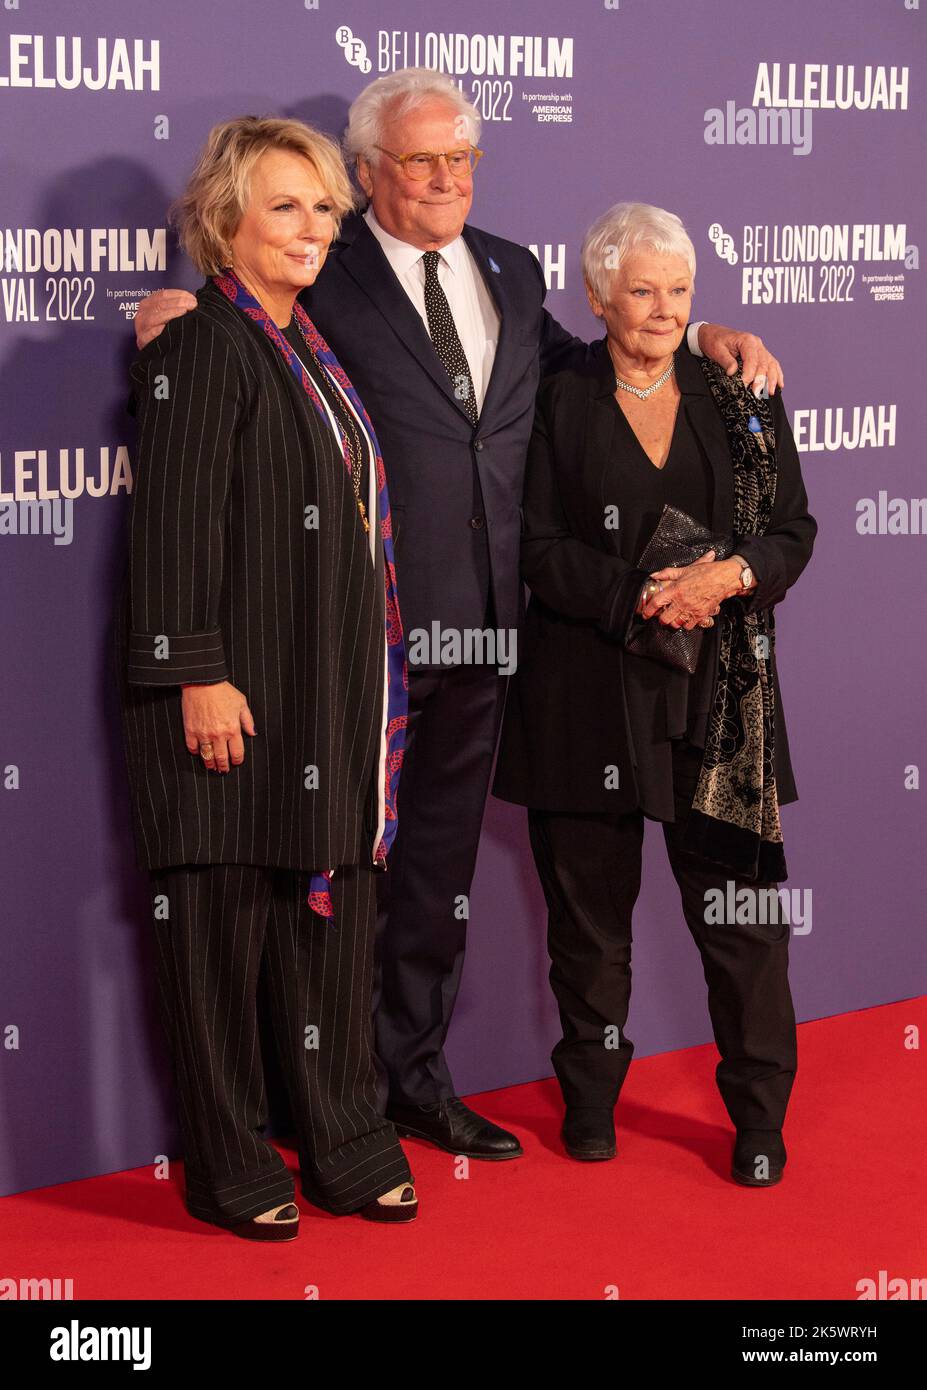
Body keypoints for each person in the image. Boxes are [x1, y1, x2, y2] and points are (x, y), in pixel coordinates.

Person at [134, 68, 785, 1164]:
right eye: (421, 160)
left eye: (463, 159)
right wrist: (181, 304)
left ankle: (411, 1084)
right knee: (331, 877)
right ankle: (306, 1097)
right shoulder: (322, 271)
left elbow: (590, 366)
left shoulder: (512, 270)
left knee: (435, 883)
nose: (445, 179)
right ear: (370, 172)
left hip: (489, 633)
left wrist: (702, 327)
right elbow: (252, 336)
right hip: (358, 632)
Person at [114, 116, 416, 1240]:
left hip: (323, 697)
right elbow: (177, 529)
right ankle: (229, 1157)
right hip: (229, 699)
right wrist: (195, 673)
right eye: (285, 205)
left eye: (326, 207)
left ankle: (342, 1137)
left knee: (326, 938)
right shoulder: (203, 344)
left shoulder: (309, 346)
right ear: (226, 219)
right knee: (218, 938)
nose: (312, 226)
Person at [493, 202, 816, 1186]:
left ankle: (759, 1119)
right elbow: (536, 548)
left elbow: (793, 531)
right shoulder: (557, 399)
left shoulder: (740, 393)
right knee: (590, 927)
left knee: (743, 927)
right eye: (642, 290)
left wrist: (727, 578)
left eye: (680, 291)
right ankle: (591, 1104)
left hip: (720, 709)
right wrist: (637, 594)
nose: (665, 310)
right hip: (584, 694)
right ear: (597, 297)